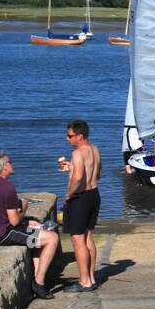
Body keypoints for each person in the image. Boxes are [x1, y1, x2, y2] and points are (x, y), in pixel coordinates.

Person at [0, 153, 59, 300]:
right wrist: (24, 209)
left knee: (37, 232)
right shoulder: (7, 187)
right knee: (52, 238)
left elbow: (2, 214)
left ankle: (38, 278)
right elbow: (14, 222)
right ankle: (38, 284)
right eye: (10, 162)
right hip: (1, 234)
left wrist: (26, 221)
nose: (12, 164)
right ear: (4, 167)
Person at [58, 119, 101, 292]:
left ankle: (84, 281)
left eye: (70, 136)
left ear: (80, 136)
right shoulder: (95, 150)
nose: (67, 139)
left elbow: (77, 178)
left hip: (80, 198)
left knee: (77, 239)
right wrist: (71, 167)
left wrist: (69, 194)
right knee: (88, 237)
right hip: (94, 195)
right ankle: (91, 277)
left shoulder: (77, 153)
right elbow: (97, 173)